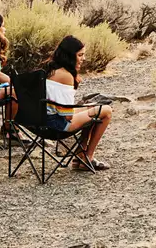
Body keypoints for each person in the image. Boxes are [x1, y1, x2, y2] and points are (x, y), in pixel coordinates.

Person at [43, 35, 113, 171]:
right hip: (57, 124)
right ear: (70, 55)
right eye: (80, 55)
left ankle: (80, 155)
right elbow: (67, 116)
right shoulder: (65, 75)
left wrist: (85, 110)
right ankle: (88, 157)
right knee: (106, 111)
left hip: (41, 120)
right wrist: (84, 111)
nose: (83, 59)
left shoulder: (48, 69)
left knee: (91, 110)